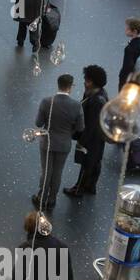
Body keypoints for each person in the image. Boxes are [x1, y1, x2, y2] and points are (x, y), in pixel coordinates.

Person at [32, 73, 85, 212]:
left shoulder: (46, 101)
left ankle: (41, 197)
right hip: (64, 144)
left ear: (58, 84)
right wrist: (69, 131)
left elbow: (38, 123)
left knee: (46, 170)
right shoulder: (76, 105)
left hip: (47, 142)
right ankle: (52, 199)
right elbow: (80, 127)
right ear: (70, 87)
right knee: (58, 172)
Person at [65, 65, 109, 197]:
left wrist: (81, 142)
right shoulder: (100, 93)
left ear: (90, 82)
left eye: (86, 79)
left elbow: (91, 125)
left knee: (87, 163)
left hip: (92, 138)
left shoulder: (95, 101)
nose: (84, 81)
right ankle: (91, 186)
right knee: (95, 161)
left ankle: (78, 189)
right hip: (98, 136)